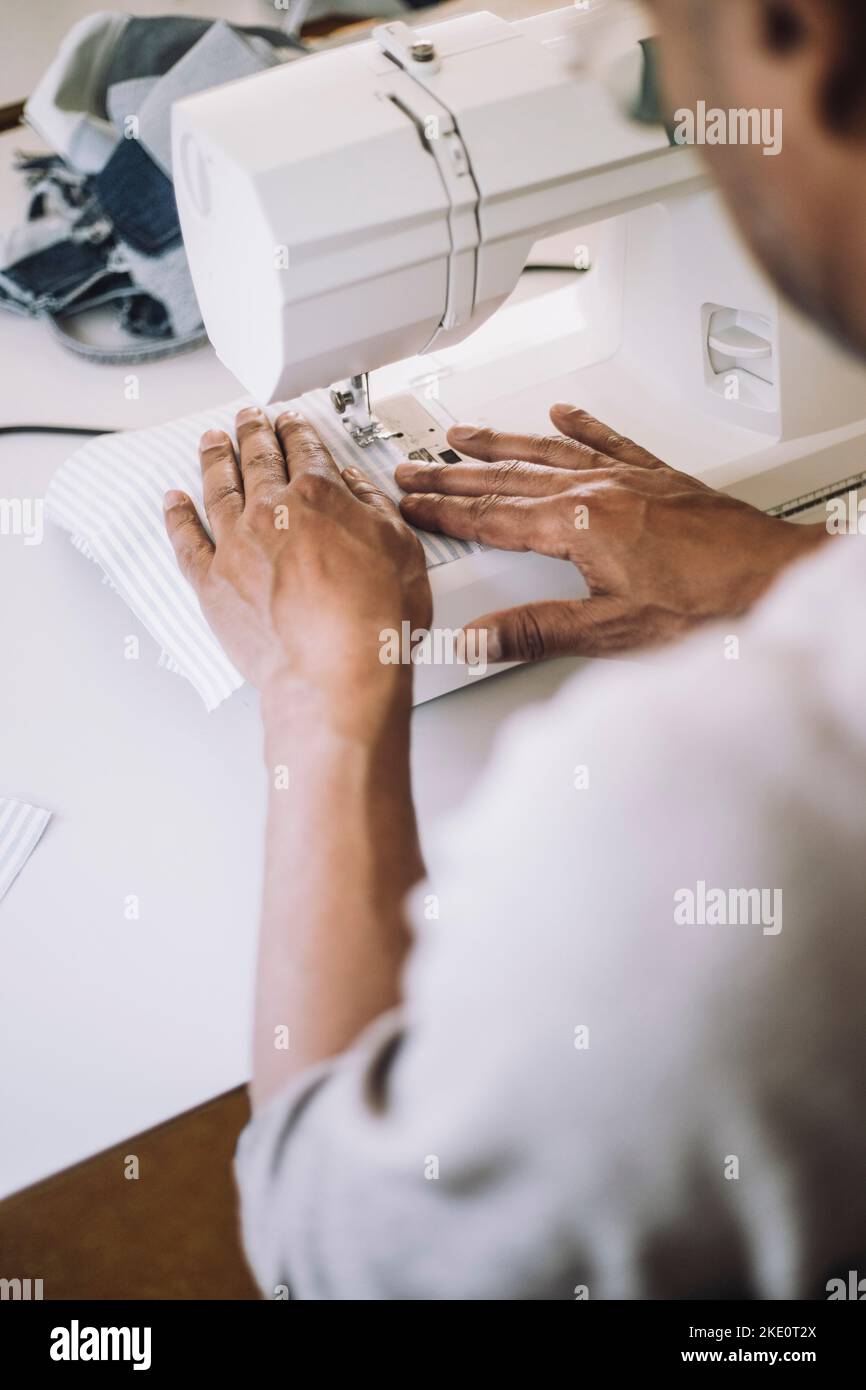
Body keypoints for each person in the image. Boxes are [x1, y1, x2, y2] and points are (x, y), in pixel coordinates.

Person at [162, 0, 866, 1298]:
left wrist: (322, 698)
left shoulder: (725, 811)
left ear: (796, 43)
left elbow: (354, 1252)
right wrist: (793, 579)